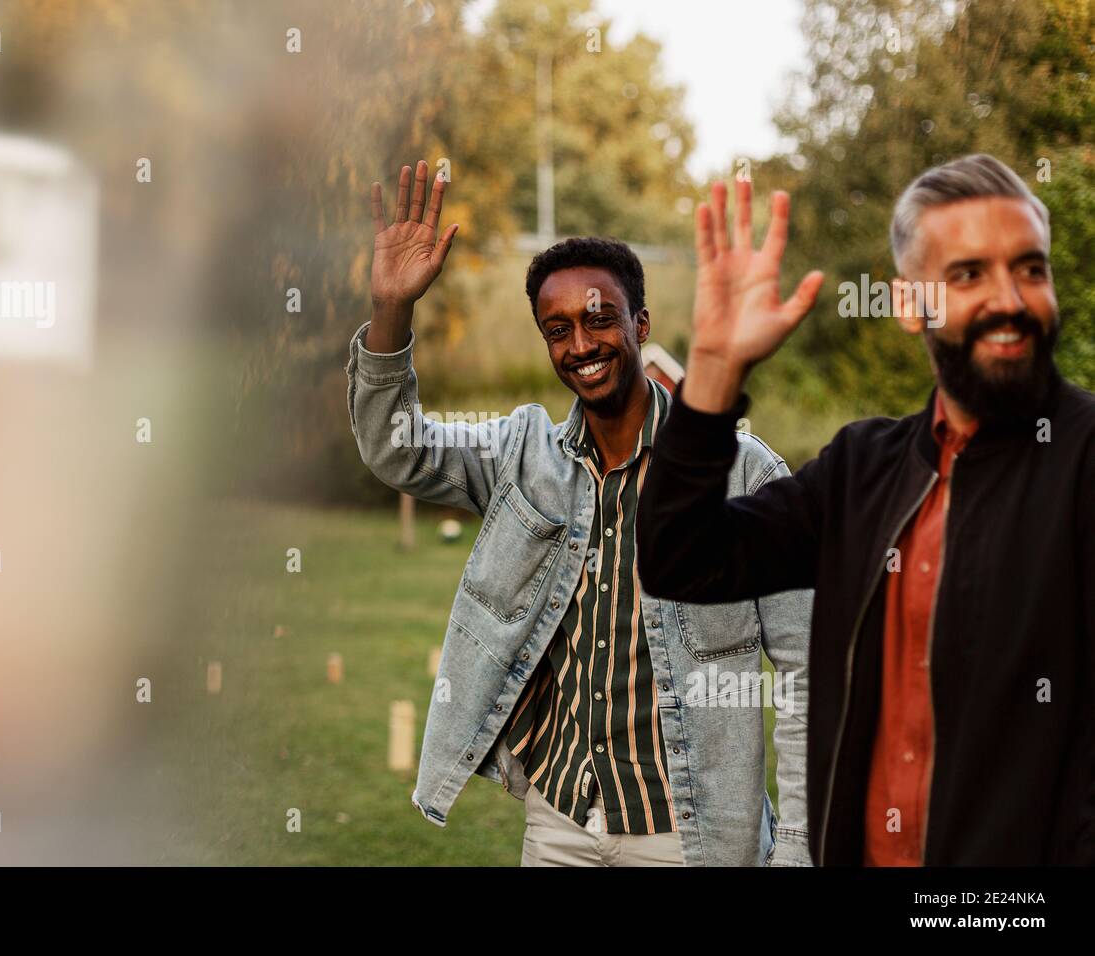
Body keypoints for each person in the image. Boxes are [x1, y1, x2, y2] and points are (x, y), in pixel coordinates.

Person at [345, 159, 812, 866]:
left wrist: (799, 849)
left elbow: (810, 668)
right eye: (557, 329)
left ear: (640, 322)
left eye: (599, 320)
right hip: (560, 819)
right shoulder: (521, 452)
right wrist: (391, 309)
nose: (581, 345)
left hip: (689, 834)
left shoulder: (744, 473)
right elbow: (395, 450)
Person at [636, 154, 1095, 865]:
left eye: (1031, 269)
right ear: (909, 305)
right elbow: (681, 559)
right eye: (969, 274)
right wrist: (715, 373)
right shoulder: (861, 468)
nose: (1010, 298)